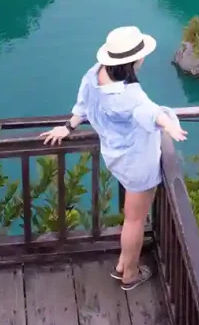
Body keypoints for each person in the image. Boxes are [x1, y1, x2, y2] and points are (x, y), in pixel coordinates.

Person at [41, 26, 187, 290]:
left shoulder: (95, 74)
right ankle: (129, 274)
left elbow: (83, 105)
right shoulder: (131, 96)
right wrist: (170, 126)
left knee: (131, 216)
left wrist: (68, 127)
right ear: (133, 60)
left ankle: (123, 263)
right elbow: (151, 113)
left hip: (115, 156)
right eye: (141, 55)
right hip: (138, 164)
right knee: (135, 220)